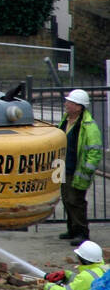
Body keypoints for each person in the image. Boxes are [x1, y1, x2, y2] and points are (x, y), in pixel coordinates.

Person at [58, 89, 103, 244]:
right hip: (63, 167)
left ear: (79, 107)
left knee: (76, 201)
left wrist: (87, 169)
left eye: (69, 102)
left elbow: (95, 151)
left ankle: (82, 232)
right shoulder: (66, 120)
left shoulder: (88, 127)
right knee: (66, 199)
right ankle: (72, 229)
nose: (66, 104)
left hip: (77, 170)